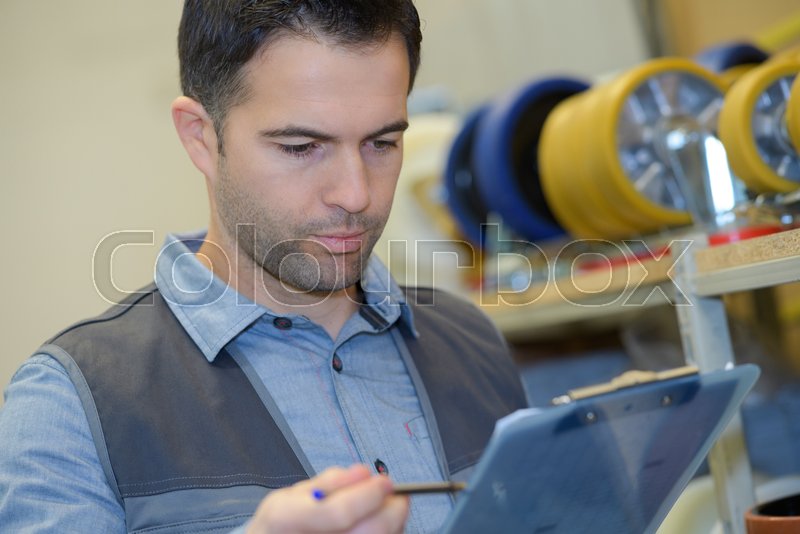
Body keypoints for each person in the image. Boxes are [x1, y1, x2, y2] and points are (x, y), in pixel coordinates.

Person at [0, 1, 527, 532]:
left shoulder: (474, 344)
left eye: (382, 143)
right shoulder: (69, 407)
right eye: (301, 147)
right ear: (200, 137)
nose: (356, 194)